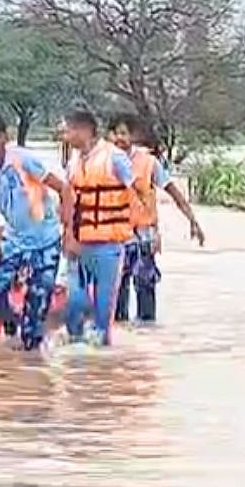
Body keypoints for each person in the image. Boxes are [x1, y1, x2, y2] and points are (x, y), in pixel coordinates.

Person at [0, 113, 74, 351]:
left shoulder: (24, 160)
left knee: (38, 300)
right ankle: (13, 328)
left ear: (6, 137)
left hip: (45, 240)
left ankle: (32, 348)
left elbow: (63, 188)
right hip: (13, 241)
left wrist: (68, 229)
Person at [61, 108, 156, 346]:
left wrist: (149, 230)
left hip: (109, 244)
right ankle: (75, 348)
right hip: (80, 241)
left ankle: (101, 354)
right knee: (74, 301)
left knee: (104, 307)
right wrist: (67, 236)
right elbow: (69, 202)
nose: (64, 135)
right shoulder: (73, 161)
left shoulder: (114, 157)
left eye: (68, 130)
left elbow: (141, 191)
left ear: (84, 130)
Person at [106, 114, 206, 323]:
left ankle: (146, 331)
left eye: (123, 133)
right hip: (113, 234)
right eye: (114, 133)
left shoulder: (148, 163)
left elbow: (174, 192)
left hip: (144, 234)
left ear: (133, 136)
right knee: (116, 294)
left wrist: (192, 220)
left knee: (145, 285)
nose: (118, 138)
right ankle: (123, 336)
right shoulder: (102, 162)